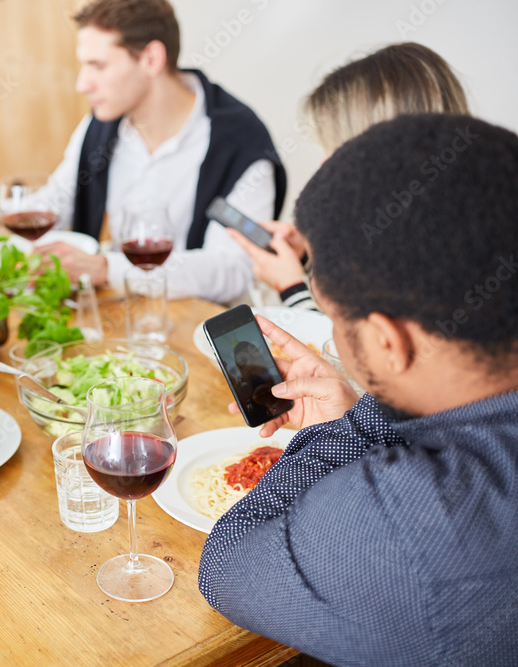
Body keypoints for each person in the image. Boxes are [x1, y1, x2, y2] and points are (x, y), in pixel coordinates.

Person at [199, 113, 518, 664]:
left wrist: (340, 431)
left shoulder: (409, 519)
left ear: (387, 342)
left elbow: (228, 564)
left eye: (335, 322)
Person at [0, 0, 286, 303]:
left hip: (197, 327)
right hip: (125, 313)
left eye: (98, 66)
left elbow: (232, 270)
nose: (81, 85)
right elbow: (58, 203)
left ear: (151, 59)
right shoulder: (101, 124)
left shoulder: (241, 144)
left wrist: (106, 267)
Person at [228, 42, 469, 311]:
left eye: (336, 151)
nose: (324, 165)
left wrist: (292, 288)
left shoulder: (435, 256)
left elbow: (351, 350)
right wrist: (306, 258)